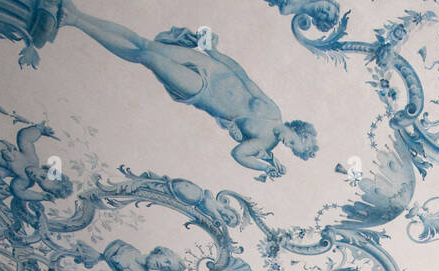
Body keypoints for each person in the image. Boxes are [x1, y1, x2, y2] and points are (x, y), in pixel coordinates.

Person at [59, 3, 318, 179]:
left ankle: (78, 24)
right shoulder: (274, 111)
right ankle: (77, 15)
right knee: (144, 42)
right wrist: (214, 53)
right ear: (296, 128)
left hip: (202, 91)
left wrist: (265, 167)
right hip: (214, 68)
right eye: (294, 141)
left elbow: (239, 154)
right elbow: (244, 77)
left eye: (292, 149)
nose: (288, 145)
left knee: (146, 56)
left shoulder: (264, 144)